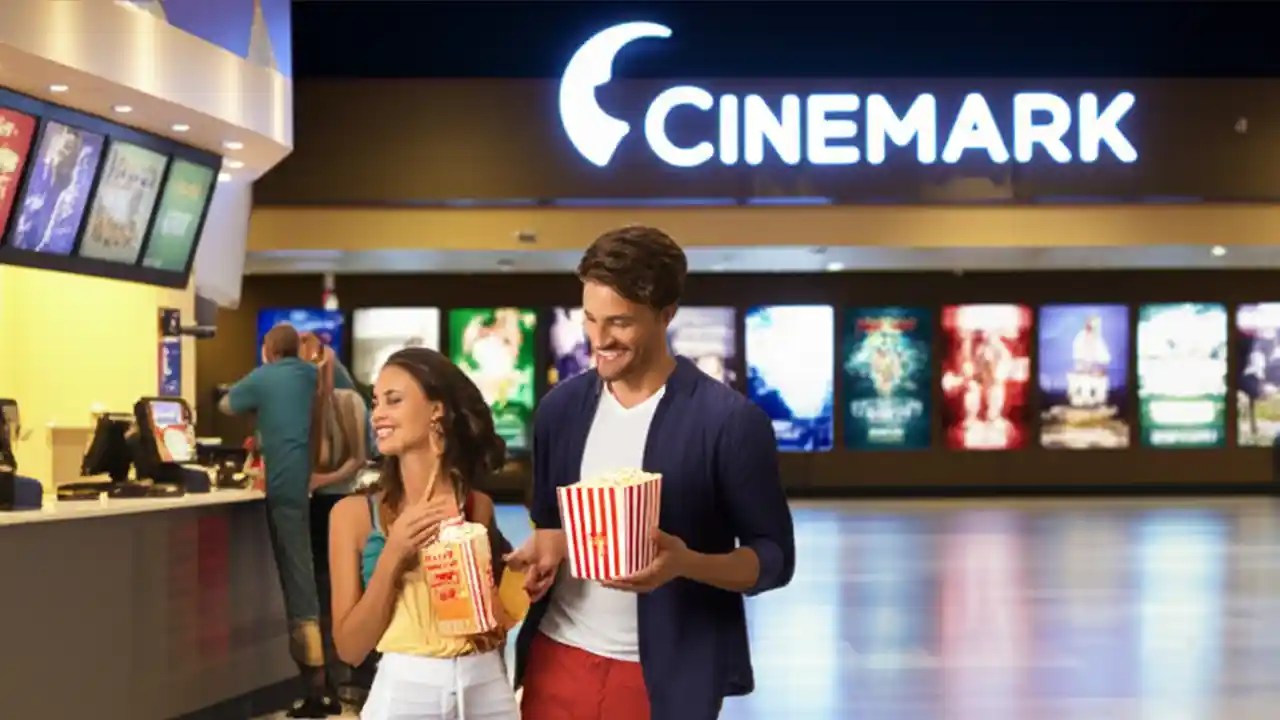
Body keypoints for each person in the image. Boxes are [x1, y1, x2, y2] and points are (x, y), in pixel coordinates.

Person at [506, 225, 797, 720]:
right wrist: (547, 546)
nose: (599, 340)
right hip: (557, 657)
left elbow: (774, 558)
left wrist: (687, 563)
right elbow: (551, 521)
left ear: (667, 314)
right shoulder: (560, 410)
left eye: (619, 323)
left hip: (665, 675)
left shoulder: (729, 422)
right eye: (590, 319)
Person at [327, 347, 522, 720]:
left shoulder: (477, 507)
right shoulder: (352, 516)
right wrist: (394, 554)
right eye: (375, 402)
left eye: (394, 400)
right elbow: (350, 649)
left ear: (437, 410)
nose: (377, 414)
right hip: (405, 690)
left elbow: (490, 628)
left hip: (486, 688)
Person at [219, 324, 341, 718]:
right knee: (311, 577)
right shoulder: (310, 373)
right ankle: (325, 679)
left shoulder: (266, 375)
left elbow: (227, 405)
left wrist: (259, 384)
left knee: (298, 583)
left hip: (284, 487)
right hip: (312, 486)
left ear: (269, 349)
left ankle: (317, 687)